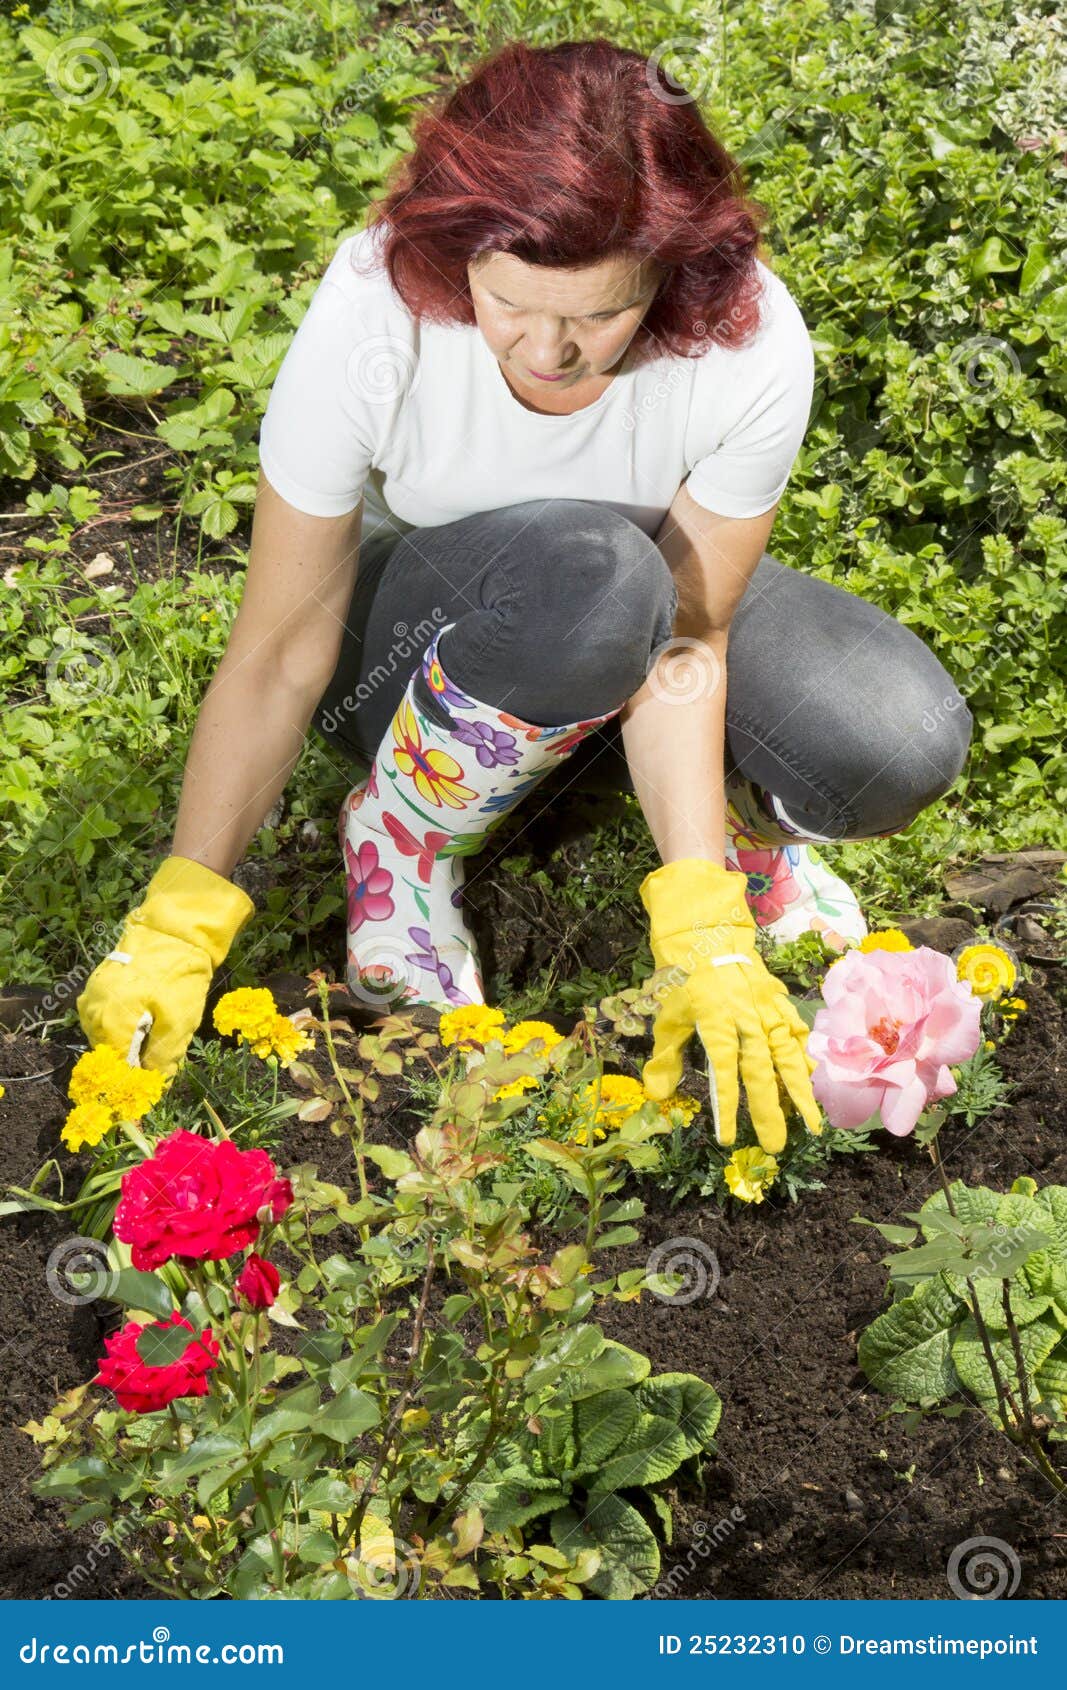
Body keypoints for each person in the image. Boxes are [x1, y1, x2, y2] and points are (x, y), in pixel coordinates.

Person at [77, 39, 973, 1156]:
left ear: (667, 273)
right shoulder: (374, 309)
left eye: (597, 315)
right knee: (591, 569)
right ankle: (398, 834)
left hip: (634, 615)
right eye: (508, 303)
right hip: (411, 642)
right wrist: (181, 911)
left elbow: (689, 641)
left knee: (894, 738)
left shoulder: (748, 344)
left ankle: (724, 841)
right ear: (459, 258)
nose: (547, 350)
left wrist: (699, 919)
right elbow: (279, 646)